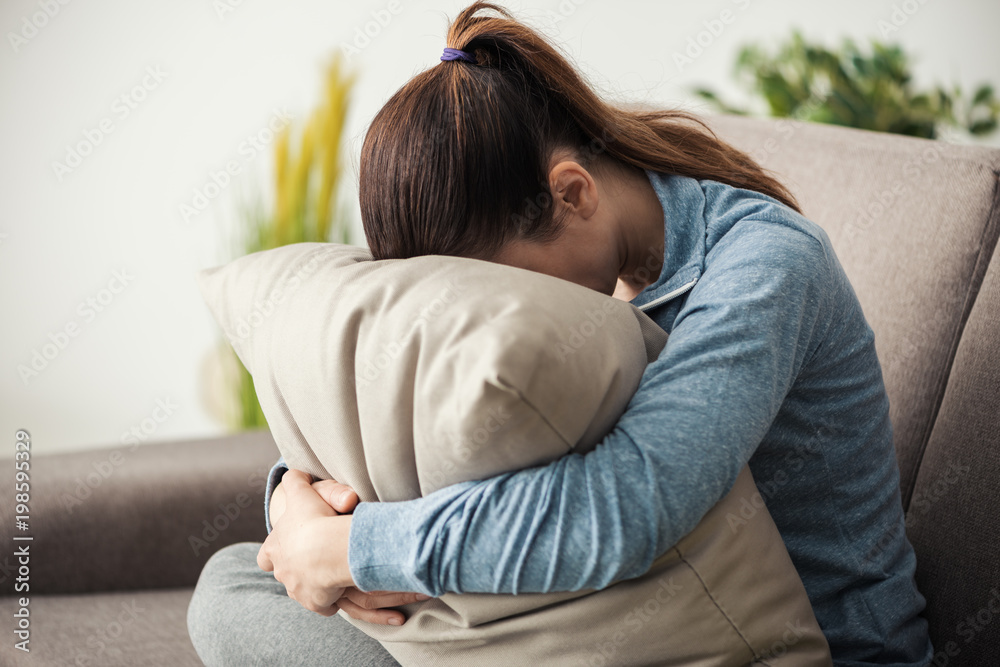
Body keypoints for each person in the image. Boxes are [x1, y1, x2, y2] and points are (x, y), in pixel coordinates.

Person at [189, 3, 934, 665]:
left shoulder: (767, 265)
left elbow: (631, 502)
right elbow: (415, 417)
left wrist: (359, 548)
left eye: (503, 291)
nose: (496, 322)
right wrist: (295, 503)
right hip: (597, 614)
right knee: (231, 580)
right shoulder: (584, 301)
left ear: (572, 193)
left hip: (790, 641)